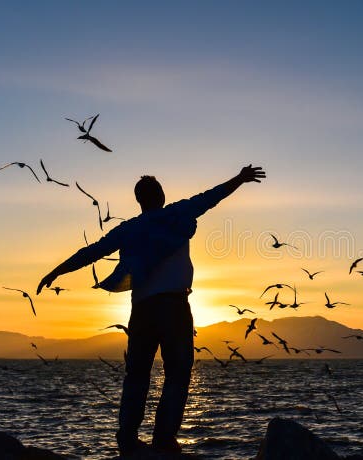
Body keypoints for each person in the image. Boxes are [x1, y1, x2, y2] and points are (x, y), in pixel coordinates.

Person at [36, 165, 265, 455]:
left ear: (139, 201)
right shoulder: (178, 213)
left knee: (137, 376)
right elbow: (212, 196)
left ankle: (128, 439)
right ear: (161, 195)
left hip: (142, 311)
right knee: (178, 374)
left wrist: (57, 271)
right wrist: (240, 179)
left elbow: (92, 251)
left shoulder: (129, 229)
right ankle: (164, 439)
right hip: (173, 307)